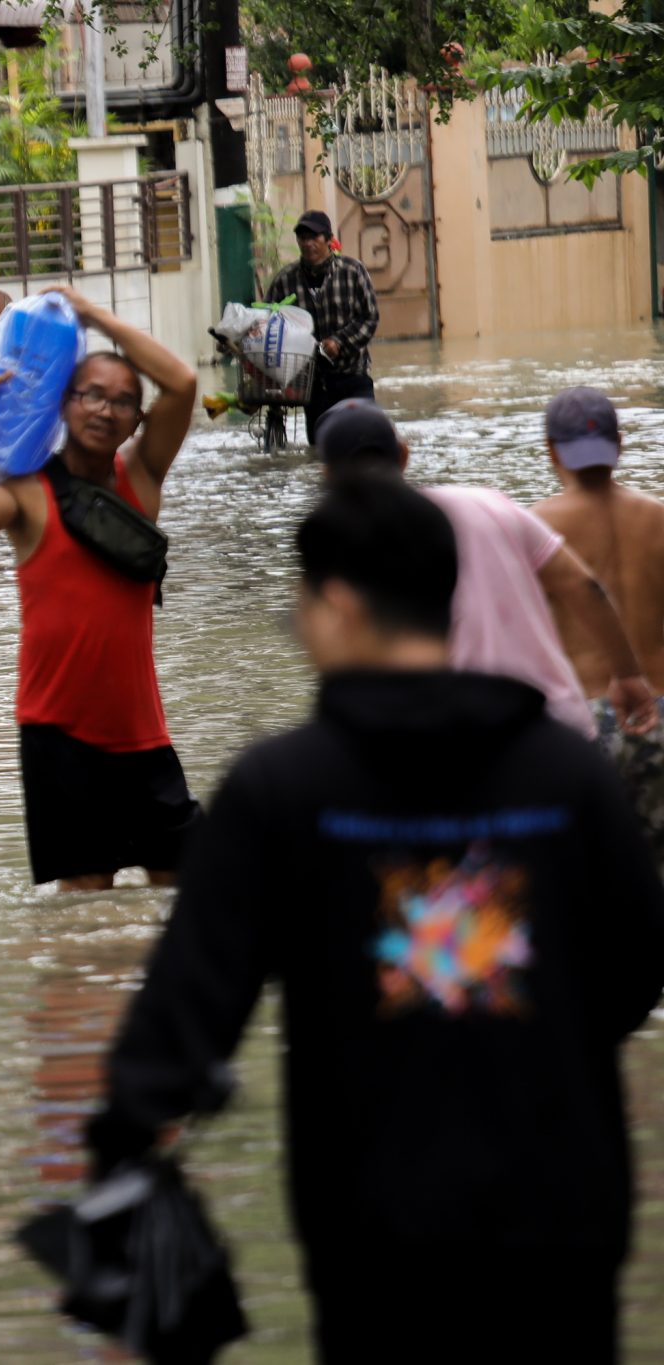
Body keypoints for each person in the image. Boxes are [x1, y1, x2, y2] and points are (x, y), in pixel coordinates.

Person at [87, 475, 664, 1362]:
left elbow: (186, 1015)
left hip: (370, 1211)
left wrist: (124, 1151)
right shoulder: (567, 774)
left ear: (341, 605)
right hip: (563, 1203)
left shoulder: (281, 789)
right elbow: (636, 969)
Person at [0, 287, 201, 890]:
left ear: (138, 417)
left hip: (143, 732)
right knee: (85, 913)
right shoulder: (29, 492)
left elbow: (183, 383)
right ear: (63, 401)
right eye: (90, 396)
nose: (104, 411)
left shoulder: (140, 475)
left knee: (185, 886)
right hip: (59, 736)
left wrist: (94, 317)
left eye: (122, 402)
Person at [313, 399, 658, 741]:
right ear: (404, 455)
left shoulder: (348, 556)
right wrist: (627, 673)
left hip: (463, 743)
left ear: (327, 475)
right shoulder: (489, 507)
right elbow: (585, 587)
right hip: (565, 725)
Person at [530, 386, 664, 863]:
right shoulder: (659, 518)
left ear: (550, 451)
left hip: (582, 725)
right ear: (620, 445)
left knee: (590, 882)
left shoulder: (535, 530)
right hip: (658, 718)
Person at [265, 210, 379, 441]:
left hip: (353, 377)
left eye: (314, 238)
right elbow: (267, 323)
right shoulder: (285, 281)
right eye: (302, 238)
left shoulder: (352, 272)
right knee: (321, 451)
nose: (307, 244)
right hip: (314, 385)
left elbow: (370, 318)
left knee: (365, 442)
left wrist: (340, 342)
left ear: (328, 240)